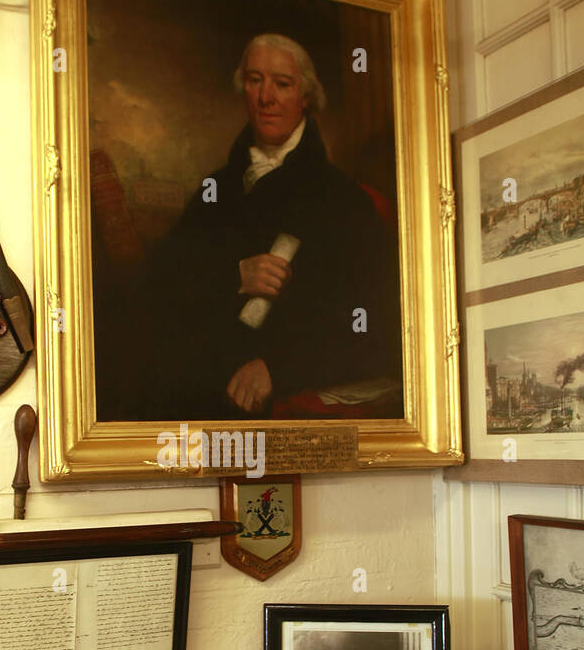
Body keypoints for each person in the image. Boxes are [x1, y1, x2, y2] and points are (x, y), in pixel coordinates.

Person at [145, 34, 398, 419]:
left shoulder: (343, 199)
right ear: (242, 87)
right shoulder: (215, 188)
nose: (267, 97)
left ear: (306, 97)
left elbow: (370, 324)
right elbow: (160, 288)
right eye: (254, 80)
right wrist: (232, 276)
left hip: (283, 395)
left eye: (283, 84)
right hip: (200, 391)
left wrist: (278, 368)